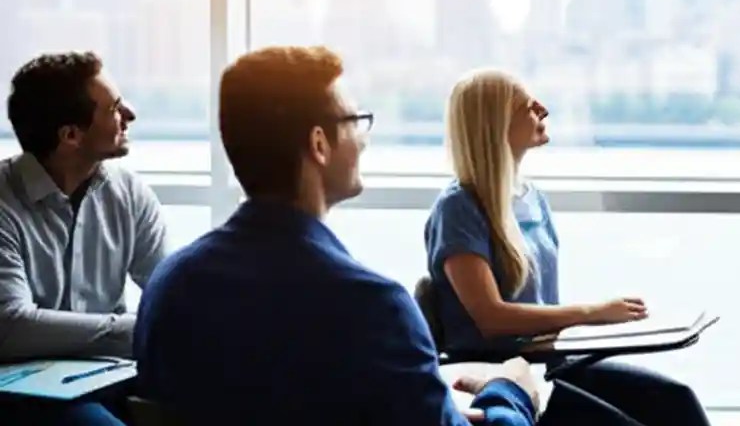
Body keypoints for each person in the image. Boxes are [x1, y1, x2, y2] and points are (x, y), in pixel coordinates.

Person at [133, 46, 631, 426]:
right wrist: (511, 391)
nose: (364, 137)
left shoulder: (170, 287)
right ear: (320, 144)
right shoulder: (371, 307)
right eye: (356, 121)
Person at [424, 68, 712, 426]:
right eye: (528, 106)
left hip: (550, 362)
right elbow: (491, 318)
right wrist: (591, 313)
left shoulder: (531, 198)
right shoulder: (458, 209)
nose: (543, 110)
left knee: (675, 401)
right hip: (506, 371)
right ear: (497, 123)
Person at [0, 52, 166, 426]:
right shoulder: (3, 202)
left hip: (114, 373)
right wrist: (134, 328)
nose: (131, 115)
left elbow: (168, 293)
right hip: (23, 393)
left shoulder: (129, 193)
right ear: (71, 135)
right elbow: (11, 327)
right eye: (115, 108)